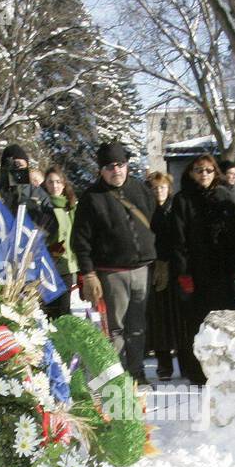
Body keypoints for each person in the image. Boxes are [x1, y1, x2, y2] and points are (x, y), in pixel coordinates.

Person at [71, 143, 157, 383]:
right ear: (101, 170)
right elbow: (80, 240)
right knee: (115, 328)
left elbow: (155, 223)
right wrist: (88, 274)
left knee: (138, 326)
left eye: (120, 164)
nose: (116, 170)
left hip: (142, 269)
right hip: (111, 273)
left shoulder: (141, 190)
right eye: (110, 167)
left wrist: (161, 262)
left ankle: (137, 371)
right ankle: (118, 376)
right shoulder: (91, 198)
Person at [165, 155, 235, 386]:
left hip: (222, 272)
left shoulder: (225, 196)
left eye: (209, 170)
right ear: (191, 173)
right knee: (196, 325)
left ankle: (225, 368)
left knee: (225, 323)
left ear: (215, 173)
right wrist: (183, 274)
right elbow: (178, 240)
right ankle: (198, 372)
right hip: (195, 273)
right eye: (199, 170)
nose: (204, 174)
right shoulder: (183, 200)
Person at [144, 170, 185, 380]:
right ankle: (164, 363)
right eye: (154, 187)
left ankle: (183, 360)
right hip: (153, 267)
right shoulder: (146, 209)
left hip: (176, 266)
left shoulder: (175, 206)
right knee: (158, 317)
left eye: (162, 187)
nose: (159, 191)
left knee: (177, 316)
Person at [42, 166, 77, 320]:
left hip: (68, 267)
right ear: (46, 184)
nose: (54, 185)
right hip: (50, 266)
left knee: (65, 310)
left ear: (64, 184)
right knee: (51, 311)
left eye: (58, 181)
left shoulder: (71, 206)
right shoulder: (43, 206)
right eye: (50, 182)